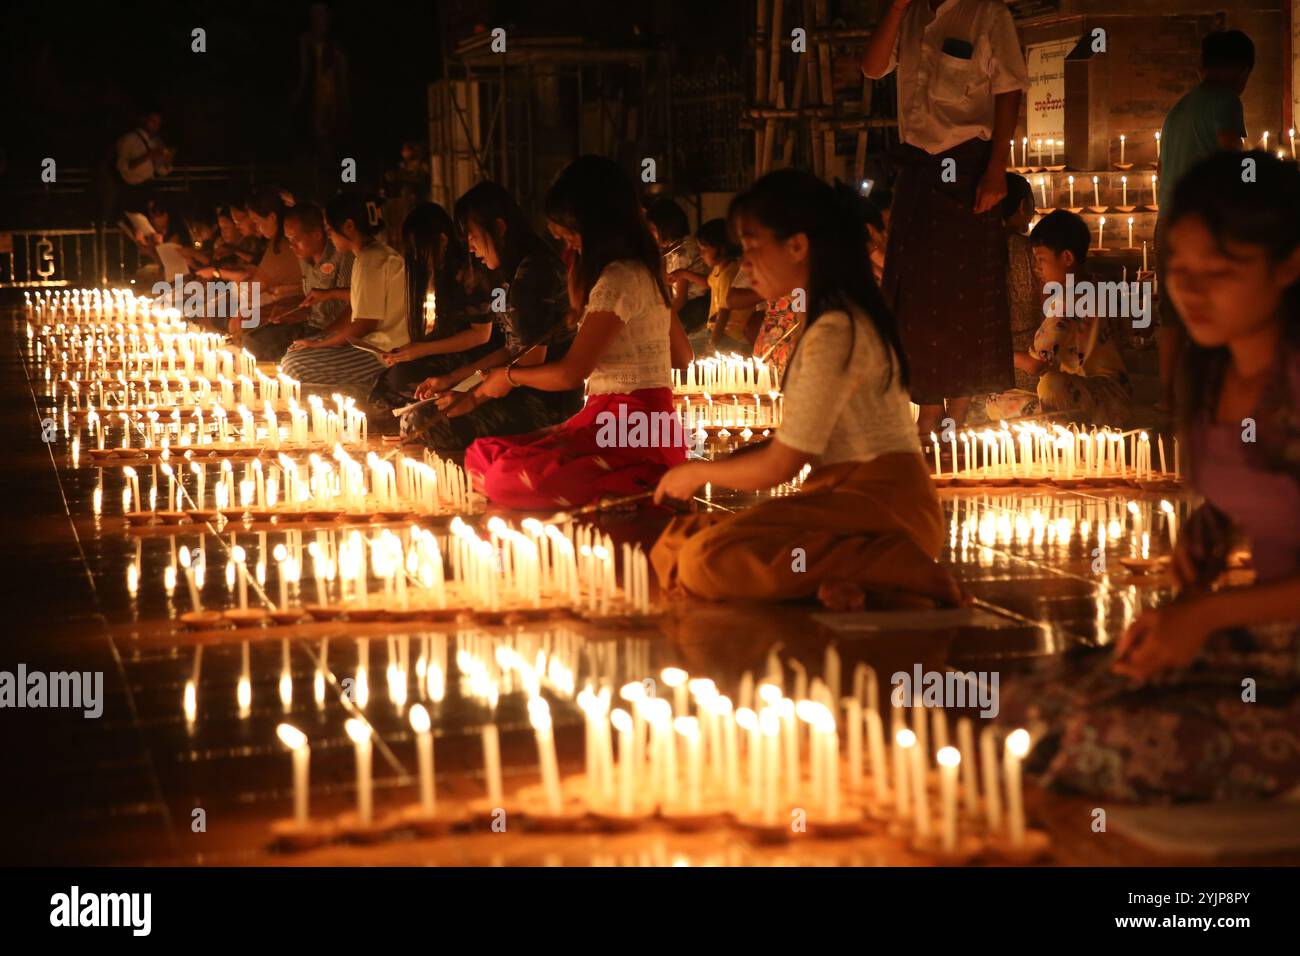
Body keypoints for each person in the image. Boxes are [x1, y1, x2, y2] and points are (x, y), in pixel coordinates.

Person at [997, 152, 1300, 802]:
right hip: (1248, 642)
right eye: (1180, 270)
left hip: (1280, 661)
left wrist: (1209, 615)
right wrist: (1203, 544)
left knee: (1108, 742)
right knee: (1021, 704)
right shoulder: (1212, 371)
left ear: (1289, 264)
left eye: (1221, 271)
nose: (1192, 290)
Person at [651, 170, 960, 610]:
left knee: (703, 559)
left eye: (754, 248)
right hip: (844, 503)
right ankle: (853, 578)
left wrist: (696, 473)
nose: (746, 265)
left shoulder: (836, 330)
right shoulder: (836, 316)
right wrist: (732, 460)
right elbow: (795, 443)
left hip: (885, 511)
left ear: (798, 245)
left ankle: (890, 565)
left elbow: (782, 465)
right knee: (684, 541)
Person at [463, 156, 691, 509]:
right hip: (641, 426)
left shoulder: (618, 279)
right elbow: (683, 357)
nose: (569, 244)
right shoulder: (645, 271)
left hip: (631, 434)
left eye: (571, 233)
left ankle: (639, 480)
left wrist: (509, 377)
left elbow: (572, 373)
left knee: (502, 475)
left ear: (598, 223)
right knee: (485, 455)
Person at [862, 0, 1028, 436]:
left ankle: (957, 410)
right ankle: (927, 408)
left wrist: (997, 168)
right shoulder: (911, 13)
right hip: (917, 167)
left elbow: (1009, 90)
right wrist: (895, 10)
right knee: (914, 295)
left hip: (969, 165)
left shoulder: (988, 14)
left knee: (966, 293)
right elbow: (872, 67)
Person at [399, 182, 581, 459]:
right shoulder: (517, 270)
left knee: (423, 424)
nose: (470, 248)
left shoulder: (535, 270)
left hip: (547, 400)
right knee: (419, 414)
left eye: (472, 236)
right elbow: (512, 349)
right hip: (519, 387)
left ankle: (477, 483)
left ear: (498, 227)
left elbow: (530, 360)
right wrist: (452, 379)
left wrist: (472, 397)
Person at [1154, 29, 1253, 415]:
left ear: (1201, 67)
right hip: (1204, 225)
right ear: (1244, 72)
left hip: (1168, 222)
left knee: (1172, 314)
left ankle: (1166, 398)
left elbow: (1161, 168)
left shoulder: (1177, 110)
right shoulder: (1226, 101)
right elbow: (1233, 151)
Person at [983, 210, 1132, 426]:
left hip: (1091, 401)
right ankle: (1058, 426)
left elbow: (1036, 365)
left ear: (1067, 258)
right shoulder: (1103, 286)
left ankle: (1061, 429)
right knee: (1008, 399)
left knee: (1046, 386)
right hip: (1118, 400)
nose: (1037, 268)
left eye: (1041, 259)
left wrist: (996, 352)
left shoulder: (1068, 300)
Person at [368, 201, 497, 419]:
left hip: (478, 357)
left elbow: (481, 335)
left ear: (443, 240)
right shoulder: (438, 272)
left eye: (420, 251)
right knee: (389, 382)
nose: (417, 259)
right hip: (451, 355)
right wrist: (410, 350)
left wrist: (422, 350)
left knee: (400, 382)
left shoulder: (471, 274)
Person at [279, 193, 409, 390]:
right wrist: (329, 294)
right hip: (375, 341)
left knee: (293, 364)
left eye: (330, 231)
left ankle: (363, 388)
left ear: (349, 226)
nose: (329, 237)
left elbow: (364, 325)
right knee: (296, 349)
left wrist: (319, 345)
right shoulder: (376, 253)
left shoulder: (369, 262)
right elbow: (369, 297)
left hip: (382, 350)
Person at [241, 201, 354, 363]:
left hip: (335, 332)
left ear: (317, 234)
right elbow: (310, 303)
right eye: (288, 240)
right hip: (310, 326)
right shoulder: (304, 258)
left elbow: (355, 302)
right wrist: (288, 312)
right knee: (252, 340)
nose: (292, 246)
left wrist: (320, 339)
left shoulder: (342, 256)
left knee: (292, 359)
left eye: (295, 239)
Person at [668, 218, 750, 355]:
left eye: (704, 249)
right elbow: (708, 283)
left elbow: (724, 313)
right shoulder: (719, 269)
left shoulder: (728, 275)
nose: (701, 254)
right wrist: (682, 273)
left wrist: (713, 343)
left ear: (722, 248)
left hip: (728, 334)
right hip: (716, 330)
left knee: (691, 350)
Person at [647, 197, 711, 339]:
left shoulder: (682, 252)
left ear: (665, 227)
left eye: (653, 229)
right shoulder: (676, 248)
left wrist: (661, 320)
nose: (650, 234)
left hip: (694, 307)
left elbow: (681, 299)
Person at [114, 106, 173, 215]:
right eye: (153, 121)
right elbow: (121, 166)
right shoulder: (130, 139)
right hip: (131, 189)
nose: (155, 125)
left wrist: (167, 160)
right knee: (135, 222)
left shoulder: (157, 142)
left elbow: (161, 171)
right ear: (144, 119)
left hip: (149, 187)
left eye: (158, 123)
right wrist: (147, 155)